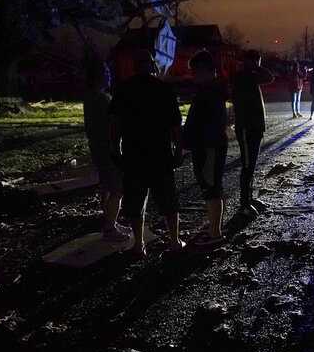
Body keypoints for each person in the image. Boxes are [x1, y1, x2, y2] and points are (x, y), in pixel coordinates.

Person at [109, 49, 185, 257]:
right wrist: (178, 149)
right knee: (168, 200)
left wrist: (115, 148)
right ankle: (174, 241)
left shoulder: (123, 90)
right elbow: (176, 125)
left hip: (134, 154)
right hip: (160, 153)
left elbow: (114, 124)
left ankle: (138, 244)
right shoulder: (164, 90)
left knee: (136, 200)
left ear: (134, 67)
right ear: (152, 66)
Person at [184, 49, 229, 245]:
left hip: (209, 147)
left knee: (212, 187)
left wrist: (188, 141)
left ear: (205, 70)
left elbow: (204, 123)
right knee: (212, 186)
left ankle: (215, 234)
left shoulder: (210, 91)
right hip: (210, 145)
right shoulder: (212, 89)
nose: (193, 76)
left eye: (195, 72)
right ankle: (214, 229)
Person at [84, 59, 130, 242]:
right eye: (107, 72)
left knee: (107, 187)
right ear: (100, 76)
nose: (110, 75)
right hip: (108, 149)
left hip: (97, 148)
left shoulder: (90, 97)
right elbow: (114, 124)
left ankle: (110, 221)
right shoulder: (103, 99)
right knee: (117, 189)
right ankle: (110, 227)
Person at [230, 49, 275, 217]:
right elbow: (269, 77)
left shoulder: (249, 75)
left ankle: (248, 198)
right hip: (246, 128)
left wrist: (254, 66)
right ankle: (244, 203)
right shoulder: (242, 76)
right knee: (247, 166)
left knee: (251, 166)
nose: (258, 65)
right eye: (256, 61)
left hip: (255, 127)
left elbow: (269, 77)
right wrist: (254, 66)